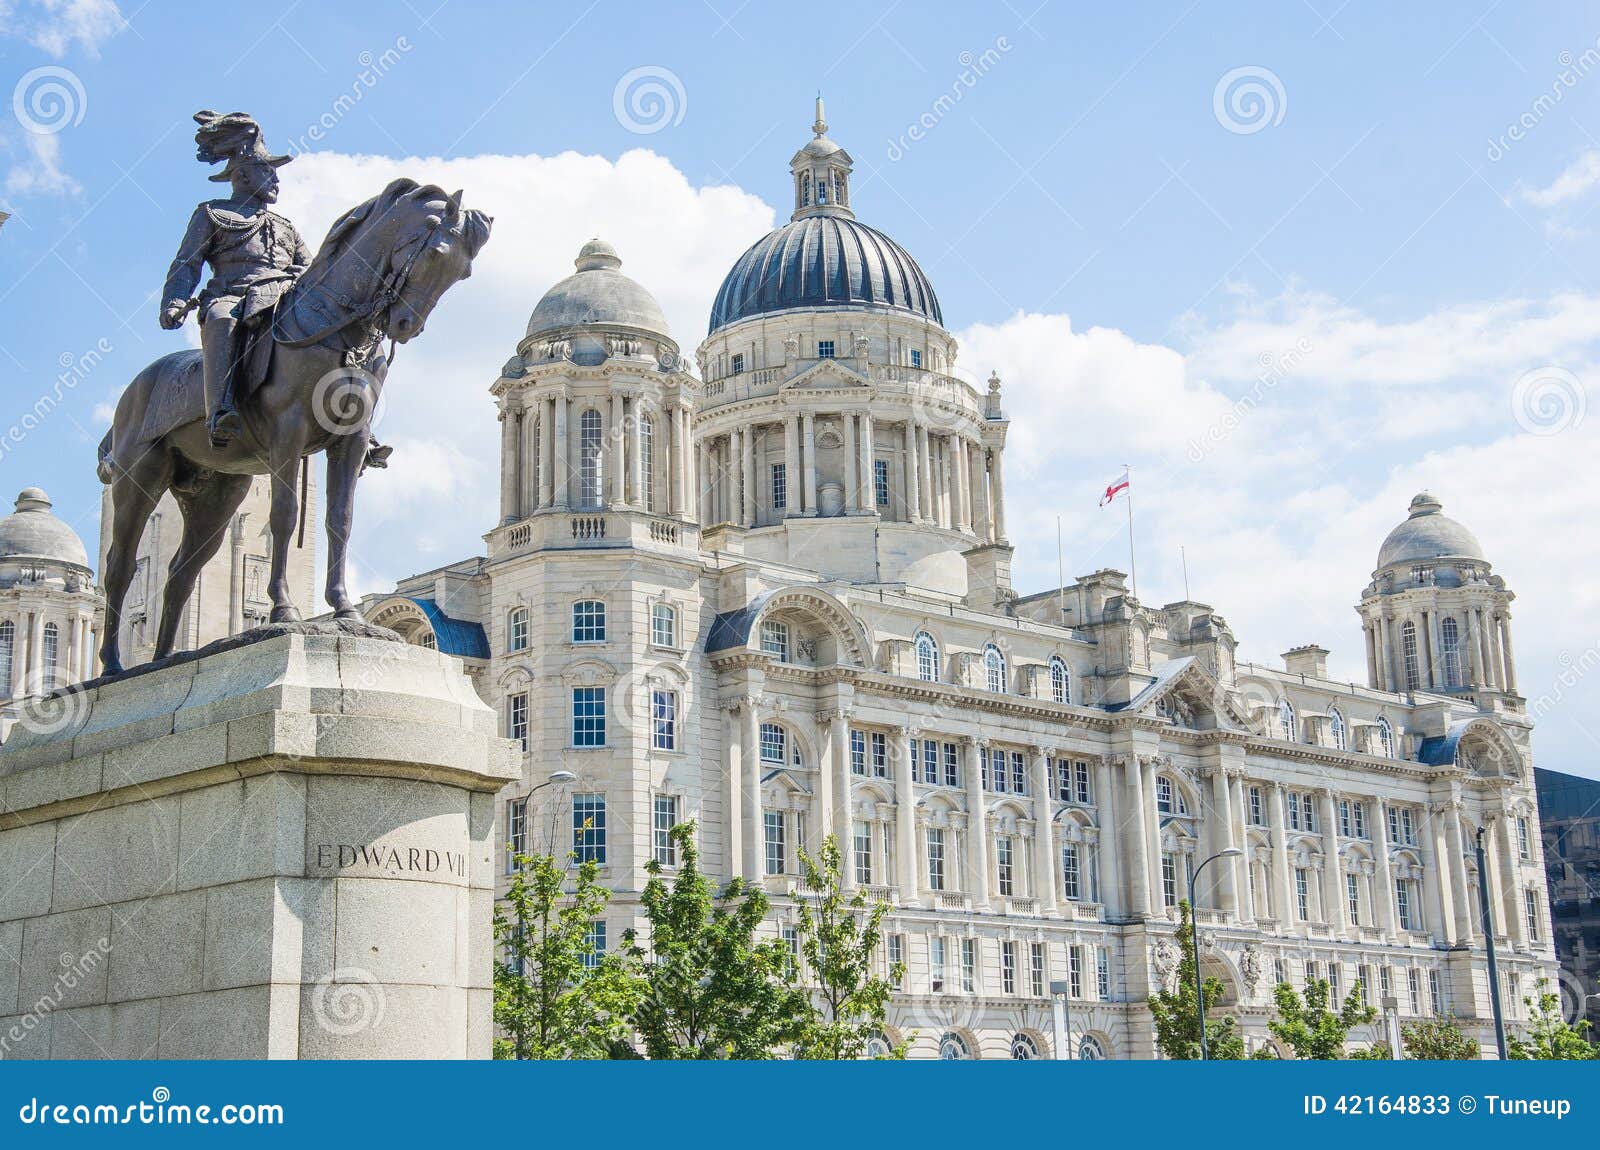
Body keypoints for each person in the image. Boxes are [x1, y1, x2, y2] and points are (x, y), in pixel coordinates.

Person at [160, 111, 310, 447]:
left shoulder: (285, 226)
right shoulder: (212, 214)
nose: (276, 179)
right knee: (221, 319)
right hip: (234, 296)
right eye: (267, 171)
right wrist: (174, 301)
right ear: (242, 175)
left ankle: (351, 420)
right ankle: (220, 412)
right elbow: (187, 264)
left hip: (282, 298)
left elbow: (312, 269)